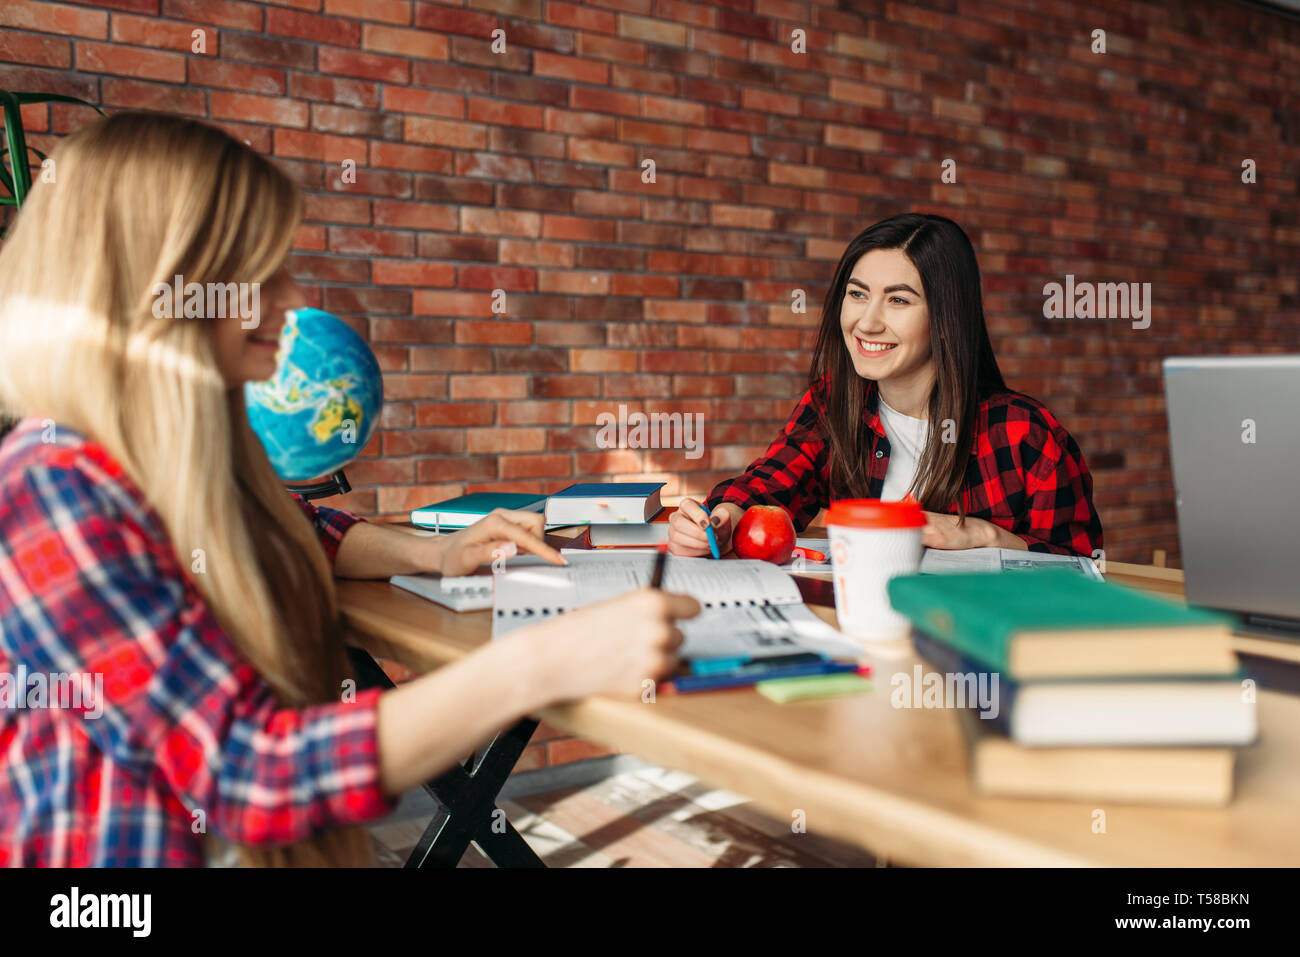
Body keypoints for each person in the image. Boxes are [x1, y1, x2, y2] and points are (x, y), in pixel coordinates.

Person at [0, 112, 699, 867]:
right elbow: (248, 772)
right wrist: (538, 663)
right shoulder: (50, 489)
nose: (293, 296)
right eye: (261, 270)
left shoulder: (183, 459)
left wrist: (441, 553)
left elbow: (292, 523)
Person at [670, 213, 1103, 559]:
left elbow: (1083, 564)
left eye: (898, 300)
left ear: (946, 316)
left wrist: (983, 535)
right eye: (857, 295)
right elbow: (774, 482)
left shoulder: (1024, 433)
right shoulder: (836, 400)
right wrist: (725, 515)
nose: (867, 321)